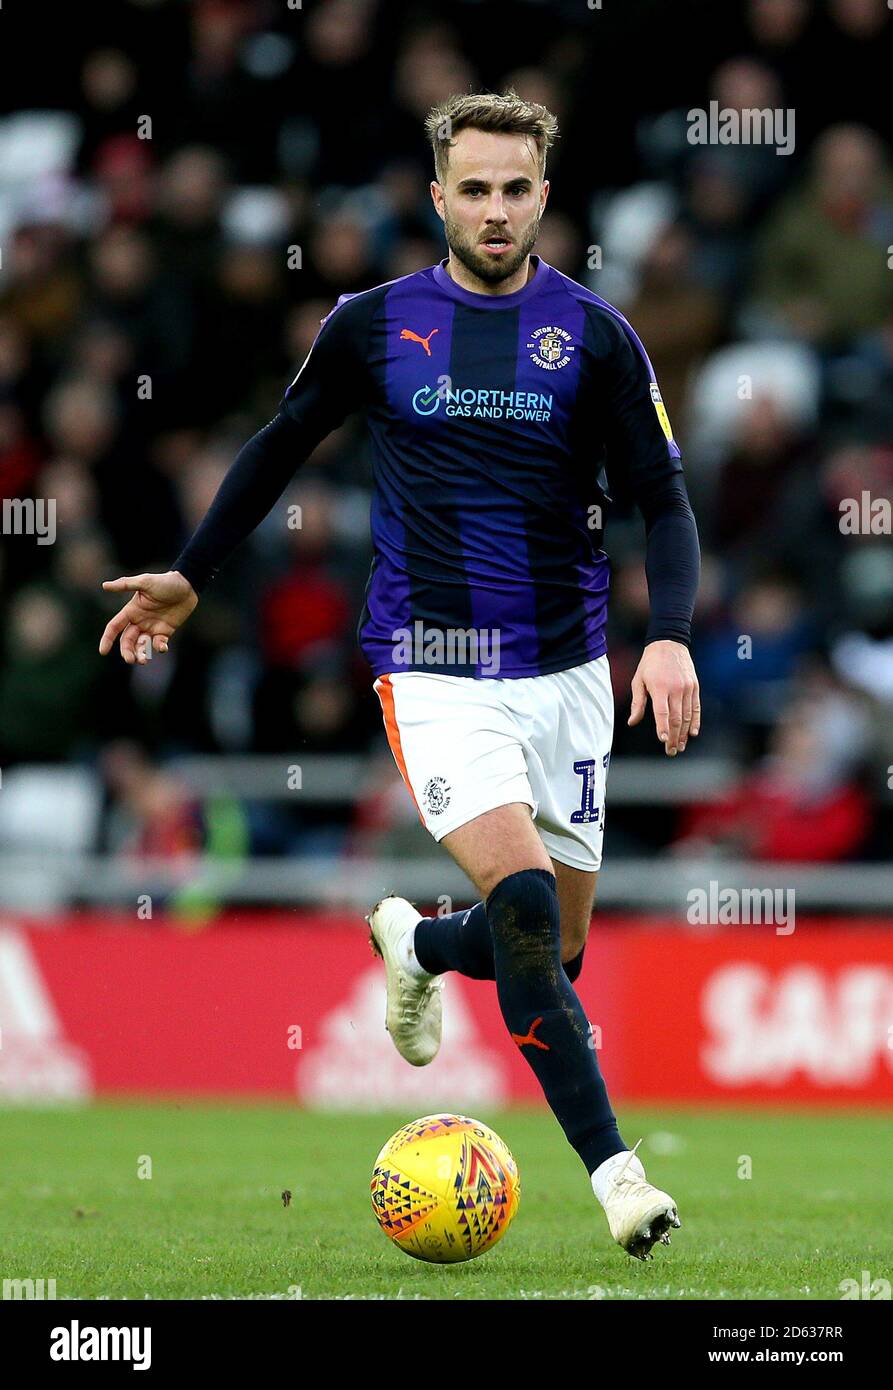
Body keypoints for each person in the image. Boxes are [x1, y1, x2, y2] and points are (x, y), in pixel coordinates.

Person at [99, 90, 701, 1261]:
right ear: (435, 196)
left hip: (569, 669)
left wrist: (670, 631)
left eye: (513, 189)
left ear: (542, 197)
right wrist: (191, 572)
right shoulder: (373, 325)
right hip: (433, 666)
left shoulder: (596, 335)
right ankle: (621, 1178)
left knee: (554, 953)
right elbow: (280, 444)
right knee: (524, 907)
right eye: (470, 188)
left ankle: (418, 944)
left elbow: (662, 497)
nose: (492, 209)